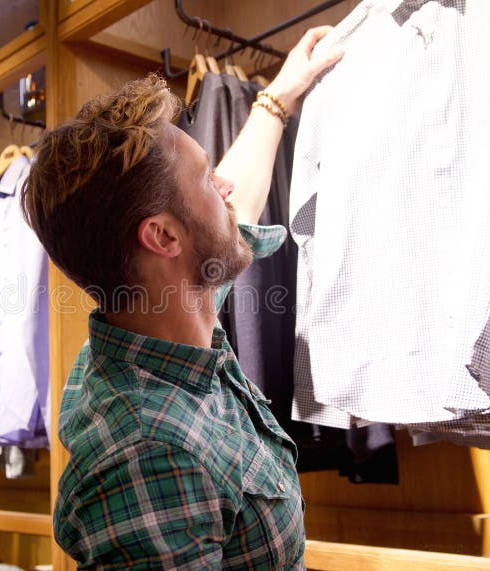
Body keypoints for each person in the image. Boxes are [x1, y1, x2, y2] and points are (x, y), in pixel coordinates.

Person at [21, 26, 343, 570]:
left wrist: (278, 98)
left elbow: (233, 208)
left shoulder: (165, 312)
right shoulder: (148, 454)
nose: (224, 186)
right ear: (165, 238)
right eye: (205, 177)